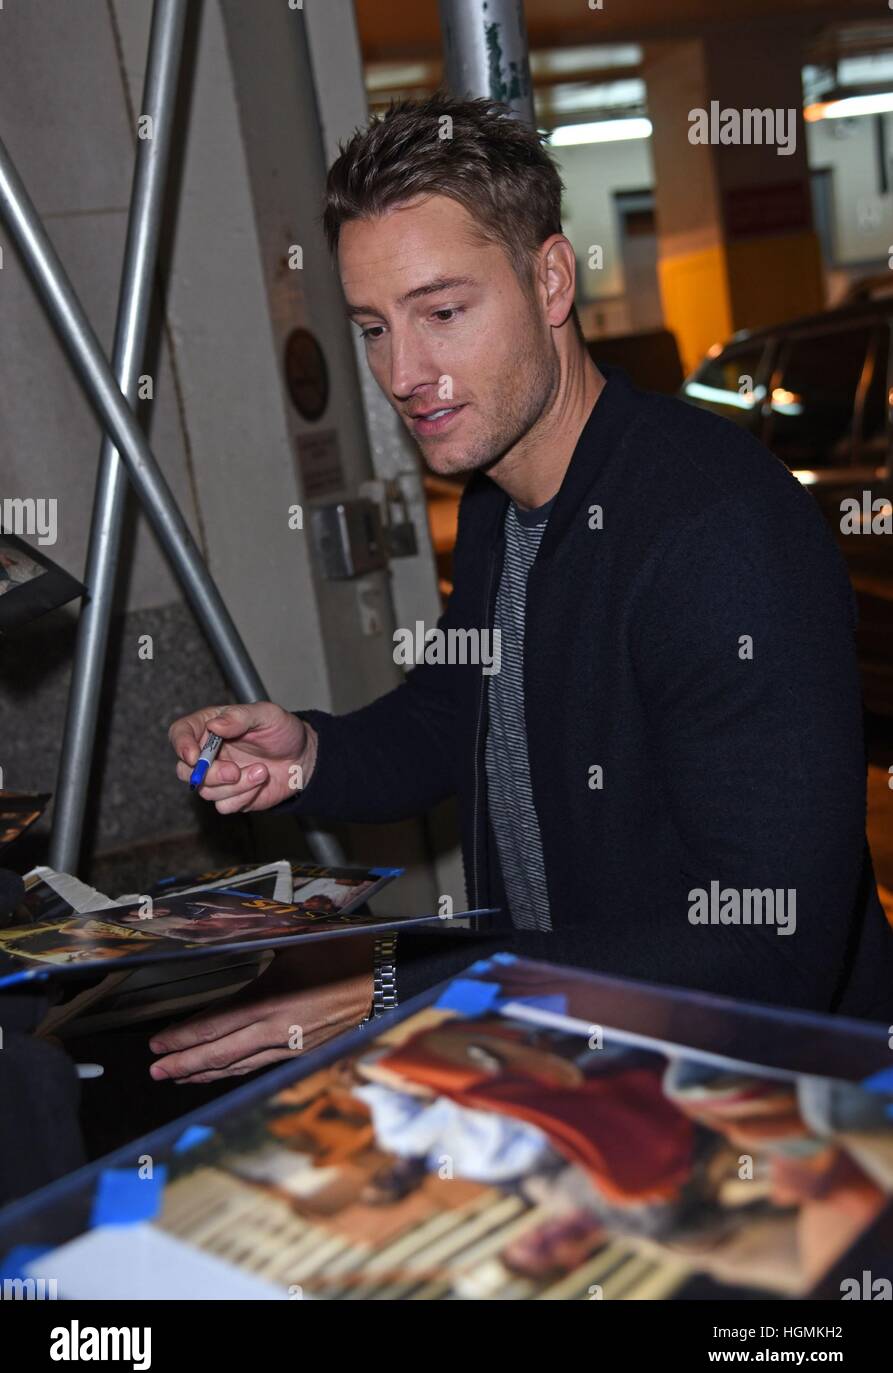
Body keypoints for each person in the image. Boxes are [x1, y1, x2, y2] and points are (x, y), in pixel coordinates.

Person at [159, 93, 893, 1086]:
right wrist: (311, 753)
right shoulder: (503, 499)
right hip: (580, 1064)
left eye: (443, 312)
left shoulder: (716, 529)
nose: (403, 371)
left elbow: (772, 948)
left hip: (775, 1116)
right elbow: (459, 710)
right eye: (372, 327)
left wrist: (413, 987)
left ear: (550, 279)